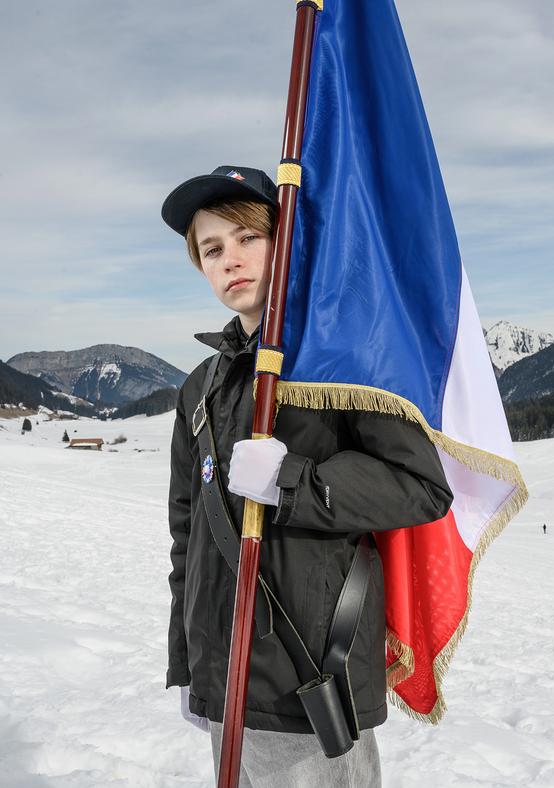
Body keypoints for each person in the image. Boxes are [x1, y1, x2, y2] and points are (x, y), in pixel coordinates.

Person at [161, 165, 454, 787]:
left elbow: (420, 485)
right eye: (212, 249)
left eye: (247, 237)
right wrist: (189, 668)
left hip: (312, 677)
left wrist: (292, 481)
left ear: (288, 241)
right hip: (227, 680)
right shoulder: (201, 390)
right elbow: (187, 539)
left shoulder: (346, 366)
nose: (230, 260)